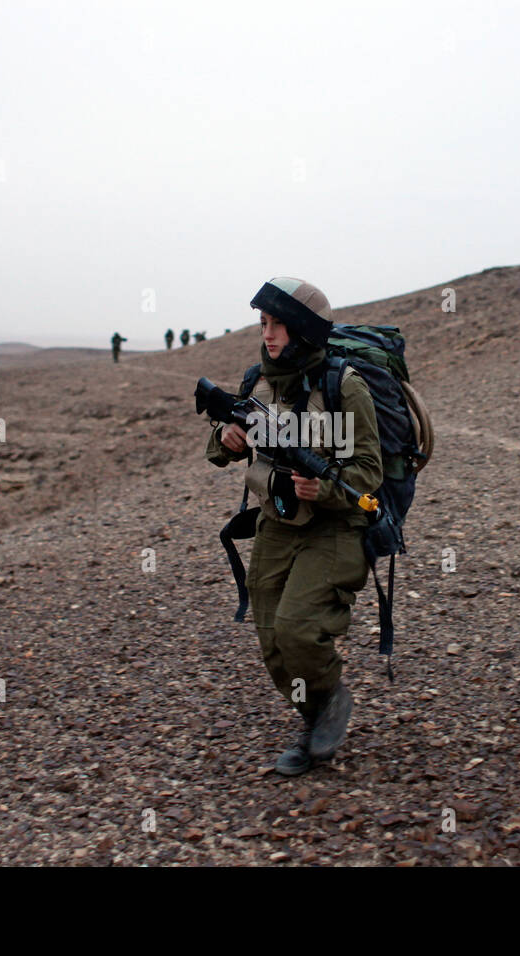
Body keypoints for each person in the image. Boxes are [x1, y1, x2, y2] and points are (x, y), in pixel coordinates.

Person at [205, 277, 382, 775]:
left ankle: (329, 702)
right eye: (263, 324)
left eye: (278, 324)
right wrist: (229, 439)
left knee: (298, 628)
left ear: (303, 329)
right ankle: (313, 714)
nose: (268, 334)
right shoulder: (256, 383)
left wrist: (323, 488)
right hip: (276, 523)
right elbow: (216, 450)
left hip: (333, 526)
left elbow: (368, 471)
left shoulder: (343, 386)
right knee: (270, 636)